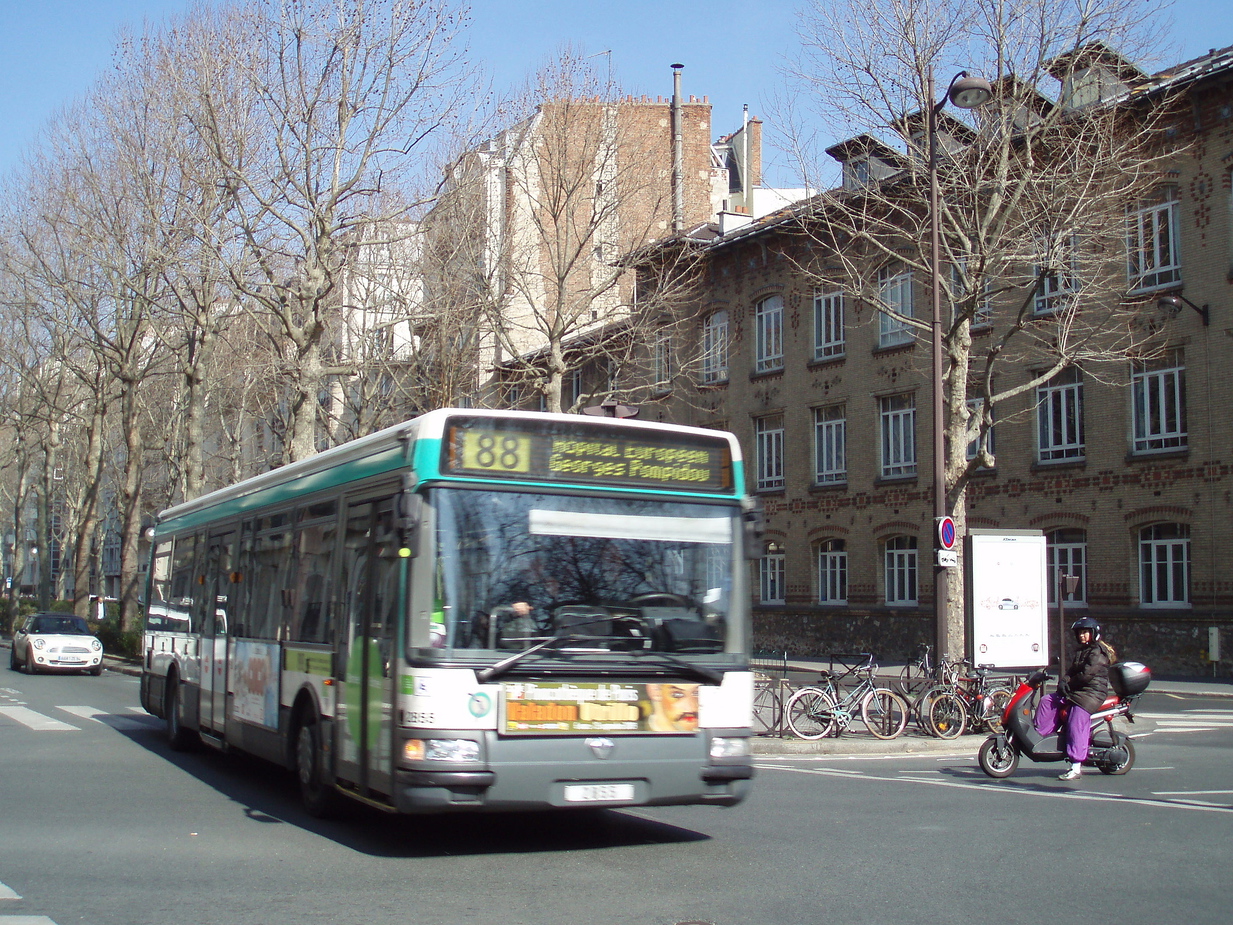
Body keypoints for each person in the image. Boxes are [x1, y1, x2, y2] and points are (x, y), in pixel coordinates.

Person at [1035, 616, 1117, 780]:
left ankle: (1076, 766)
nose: (1082, 635)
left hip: (1091, 693)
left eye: (1085, 632)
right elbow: (1072, 671)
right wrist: (1064, 681)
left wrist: (1069, 684)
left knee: (1075, 720)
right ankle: (1040, 737)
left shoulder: (1098, 652)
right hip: (1077, 690)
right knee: (1047, 701)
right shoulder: (1082, 651)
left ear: (1093, 633)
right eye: (1079, 633)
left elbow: (1086, 675)